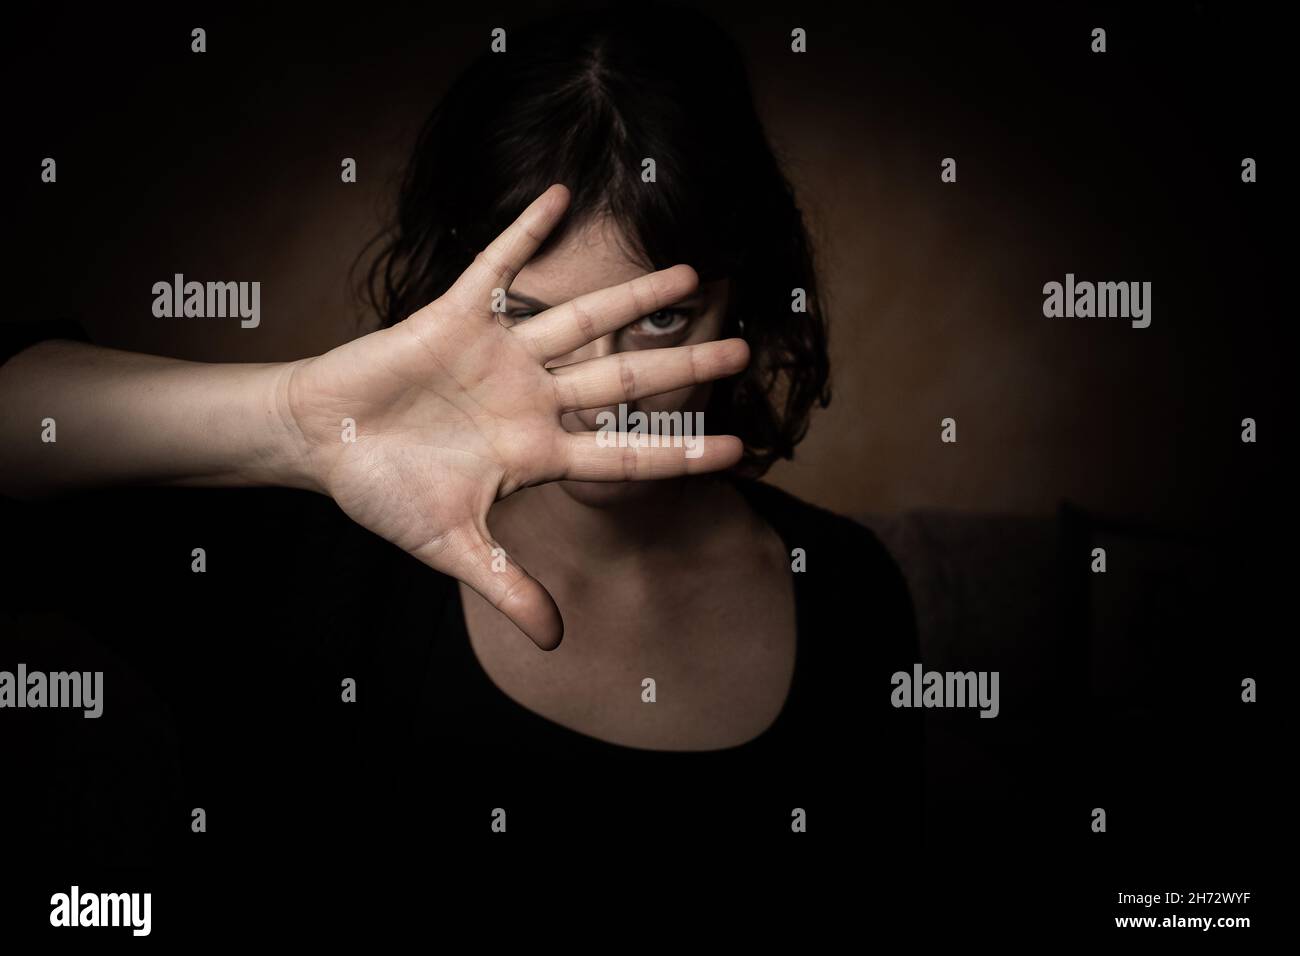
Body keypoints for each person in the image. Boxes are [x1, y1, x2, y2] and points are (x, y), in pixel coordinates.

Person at [0, 9, 920, 860]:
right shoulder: (312, 549)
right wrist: (292, 420)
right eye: (530, 317)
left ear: (742, 300)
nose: (600, 395)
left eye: (662, 320)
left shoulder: (845, 590)